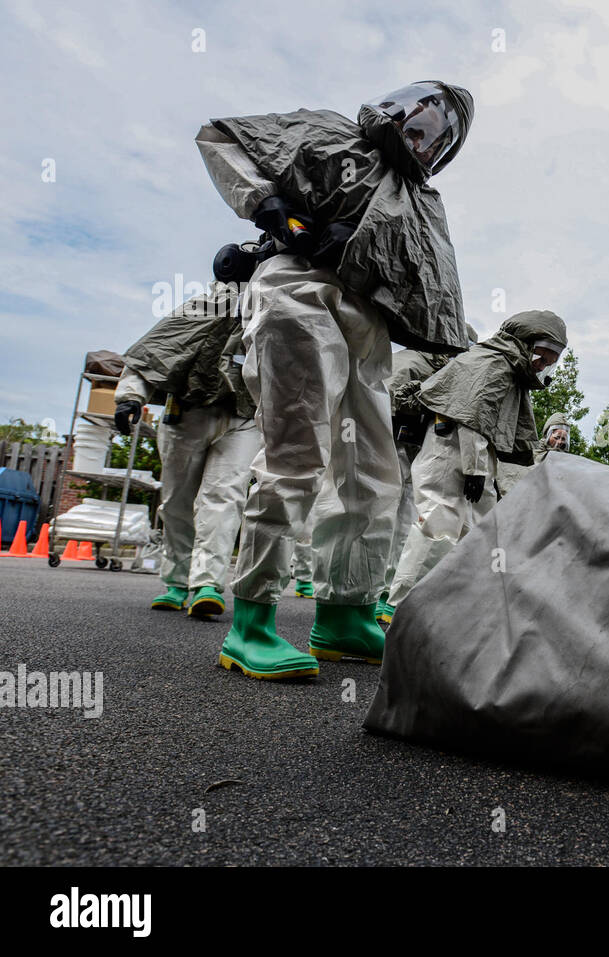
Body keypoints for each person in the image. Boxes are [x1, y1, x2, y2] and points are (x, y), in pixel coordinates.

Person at [196, 80, 474, 679]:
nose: (424, 125)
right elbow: (224, 139)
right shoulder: (329, 133)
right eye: (424, 108)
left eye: (441, 125)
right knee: (297, 448)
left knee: (373, 470)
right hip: (298, 285)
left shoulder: (422, 201)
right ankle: (252, 622)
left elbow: (429, 286)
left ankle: (344, 613)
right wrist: (273, 211)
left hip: (366, 321)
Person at [386, 310, 568, 611]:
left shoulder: (506, 368)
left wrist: (479, 470)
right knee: (437, 525)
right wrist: (474, 469)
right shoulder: (492, 363)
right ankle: (405, 607)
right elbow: (470, 417)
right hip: (451, 454)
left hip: (472, 460)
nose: (542, 365)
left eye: (550, 361)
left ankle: (448, 608)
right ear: (526, 343)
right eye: (542, 356)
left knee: (474, 534)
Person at [114, 259, 260, 619]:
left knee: (224, 495)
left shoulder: (274, 315)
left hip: (244, 417)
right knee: (178, 500)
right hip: (189, 413)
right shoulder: (200, 308)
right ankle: (177, 581)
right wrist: (130, 396)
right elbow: (156, 349)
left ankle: (206, 584)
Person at [374, 333, 477, 624]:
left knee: (404, 516)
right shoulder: (412, 362)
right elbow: (390, 402)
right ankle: (378, 592)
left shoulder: (425, 363)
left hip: (405, 445)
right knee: (390, 515)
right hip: (393, 442)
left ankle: (384, 592)